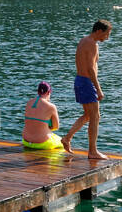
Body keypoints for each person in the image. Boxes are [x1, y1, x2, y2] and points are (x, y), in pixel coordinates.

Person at [62, 20, 111, 159]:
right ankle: (93, 152)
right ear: (99, 31)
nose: (107, 37)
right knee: (95, 116)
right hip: (86, 82)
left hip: (80, 80)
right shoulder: (92, 44)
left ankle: (67, 138)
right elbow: (90, 69)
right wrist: (99, 89)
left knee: (89, 115)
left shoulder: (84, 40)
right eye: (107, 34)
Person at [22, 81, 63, 148]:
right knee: (63, 143)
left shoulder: (29, 103)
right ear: (48, 92)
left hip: (26, 141)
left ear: (38, 92)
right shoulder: (51, 106)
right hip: (42, 143)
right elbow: (56, 127)